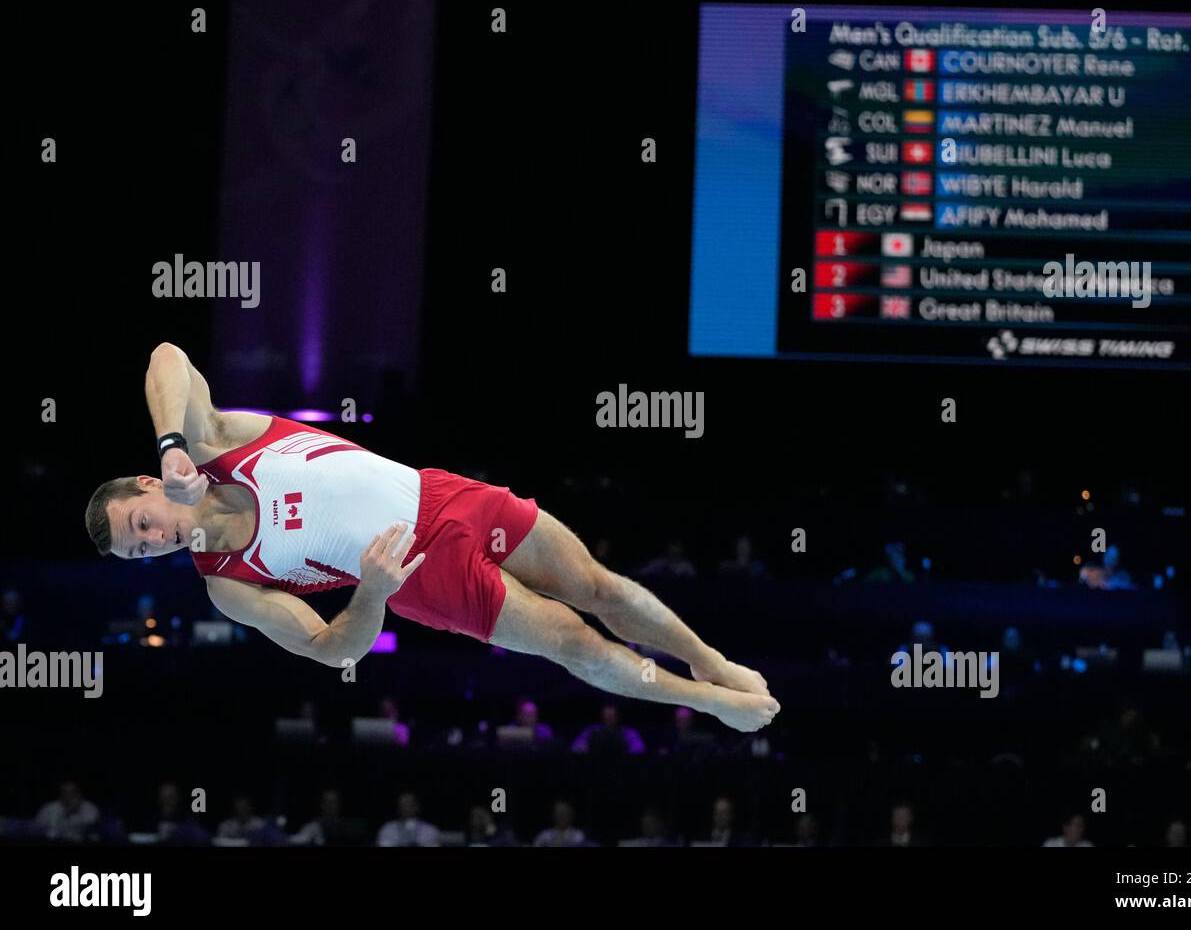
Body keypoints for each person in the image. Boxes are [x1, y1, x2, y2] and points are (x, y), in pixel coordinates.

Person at [84, 343, 778, 732]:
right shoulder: (227, 583)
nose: (154, 542)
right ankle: (708, 701)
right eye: (140, 551)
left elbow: (166, 355)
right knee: (572, 642)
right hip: (417, 577)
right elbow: (331, 651)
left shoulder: (213, 440)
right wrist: (374, 595)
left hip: (443, 494)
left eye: (140, 526)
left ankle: (710, 660)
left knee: (597, 585)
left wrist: (172, 441)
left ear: (147, 486)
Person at [34, 782, 100, 843]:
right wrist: (66, 812)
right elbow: (38, 829)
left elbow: (89, 827)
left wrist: (72, 811)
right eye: (65, 792)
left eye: (73, 792)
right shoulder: (48, 808)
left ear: (79, 793)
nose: (68, 795)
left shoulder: (89, 807)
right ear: (60, 794)